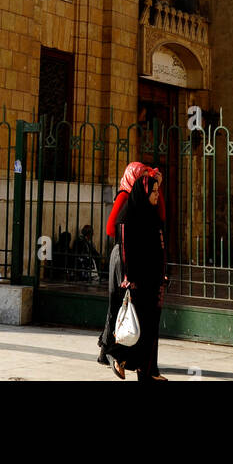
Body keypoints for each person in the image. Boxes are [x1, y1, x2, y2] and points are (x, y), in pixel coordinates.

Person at [97, 161, 166, 380]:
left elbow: (161, 216)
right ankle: (113, 353)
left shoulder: (146, 197)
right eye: (144, 175)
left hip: (144, 266)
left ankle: (143, 367)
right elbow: (112, 228)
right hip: (125, 259)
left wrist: (157, 187)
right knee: (122, 308)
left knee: (141, 316)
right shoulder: (126, 197)